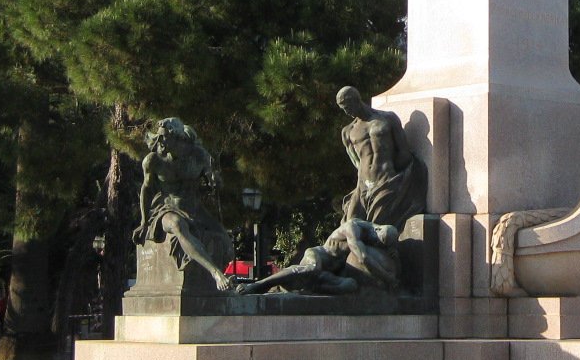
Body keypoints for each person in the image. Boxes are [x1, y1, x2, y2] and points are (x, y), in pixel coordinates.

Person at [132, 117, 238, 292]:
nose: (161, 141)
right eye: (159, 136)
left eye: (165, 137)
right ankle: (215, 273)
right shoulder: (153, 160)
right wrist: (144, 221)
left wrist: (214, 179)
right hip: (164, 209)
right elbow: (146, 190)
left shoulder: (197, 155)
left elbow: (213, 178)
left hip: (194, 208)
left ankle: (209, 280)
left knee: (226, 245)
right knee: (177, 224)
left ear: (178, 137)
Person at [337, 87, 426, 231]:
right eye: (343, 109)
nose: (347, 112)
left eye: (348, 106)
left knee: (376, 229)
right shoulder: (348, 131)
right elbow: (356, 162)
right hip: (363, 185)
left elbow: (403, 152)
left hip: (387, 180)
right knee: (349, 227)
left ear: (356, 100)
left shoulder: (387, 119)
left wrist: (390, 174)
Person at [239, 219, 400, 296]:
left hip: (332, 270)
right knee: (312, 267)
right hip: (319, 256)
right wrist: (388, 278)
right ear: (377, 229)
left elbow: (380, 251)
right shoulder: (354, 227)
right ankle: (259, 285)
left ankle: (308, 291)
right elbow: (363, 257)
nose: (376, 244)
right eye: (377, 241)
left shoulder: (375, 236)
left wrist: (393, 253)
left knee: (350, 285)